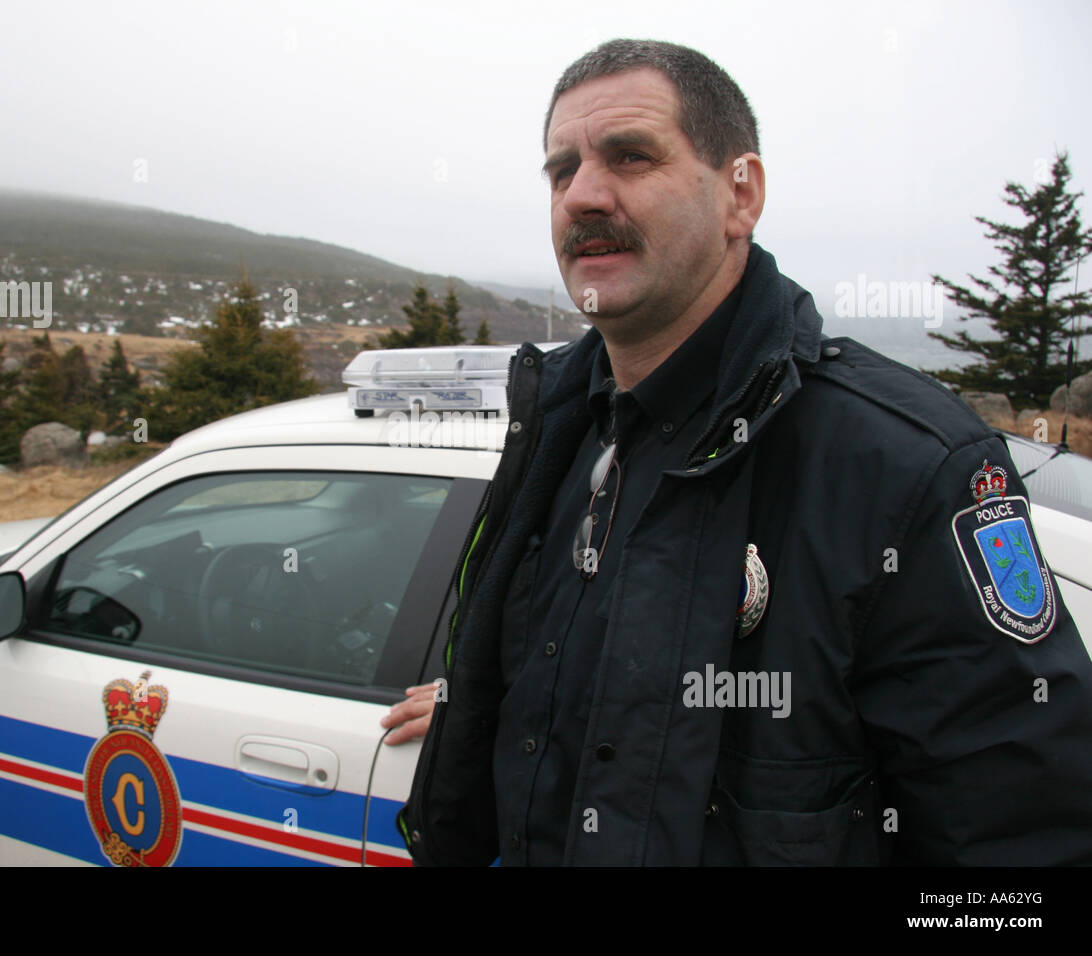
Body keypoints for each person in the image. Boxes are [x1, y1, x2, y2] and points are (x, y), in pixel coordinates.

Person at [383, 38, 1092, 866]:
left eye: (630, 157)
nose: (581, 195)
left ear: (740, 194)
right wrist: (491, 705)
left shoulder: (906, 467)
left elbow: (1024, 854)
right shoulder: (557, 430)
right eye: (560, 170)